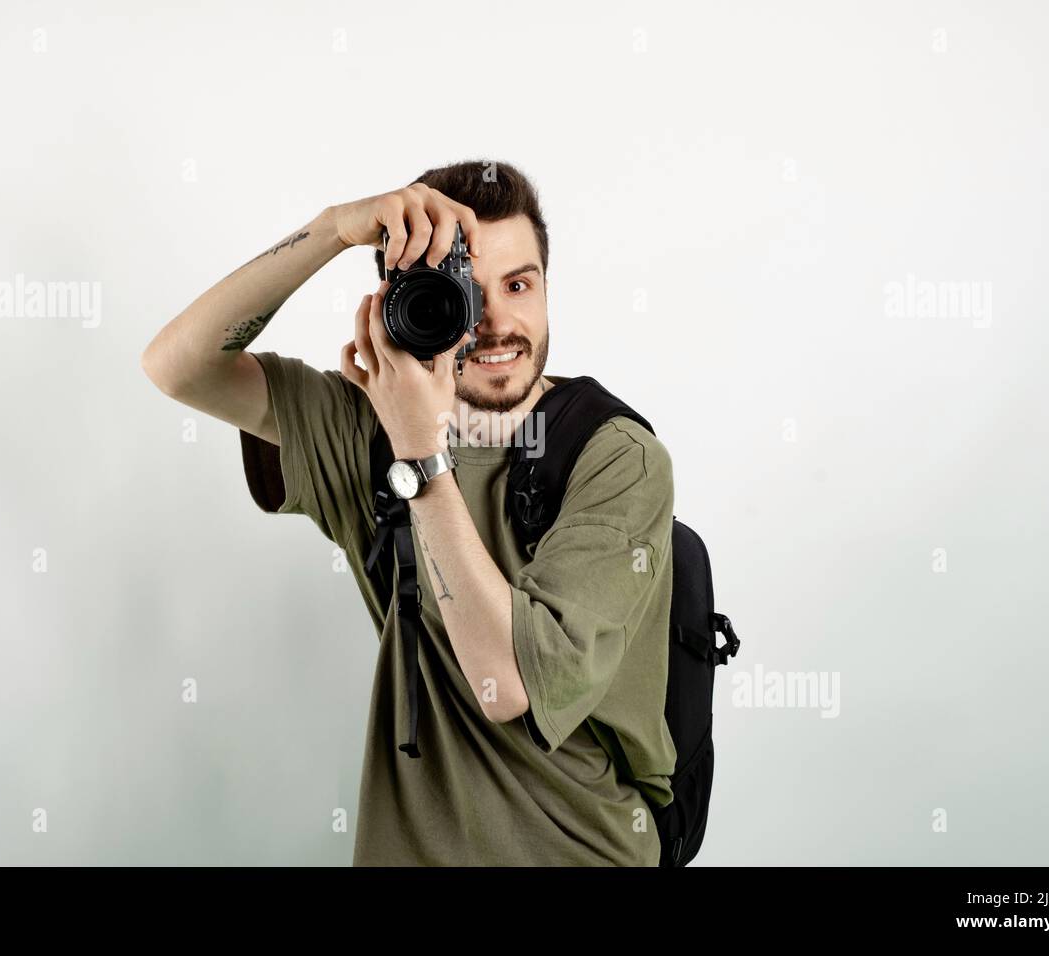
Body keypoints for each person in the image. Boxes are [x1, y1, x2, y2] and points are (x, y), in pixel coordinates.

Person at [141, 159, 677, 866]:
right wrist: (332, 229)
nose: (496, 322)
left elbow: (507, 685)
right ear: (410, 299)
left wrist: (420, 452)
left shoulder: (615, 457)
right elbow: (178, 366)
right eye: (464, 290)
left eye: (519, 285)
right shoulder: (368, 430)